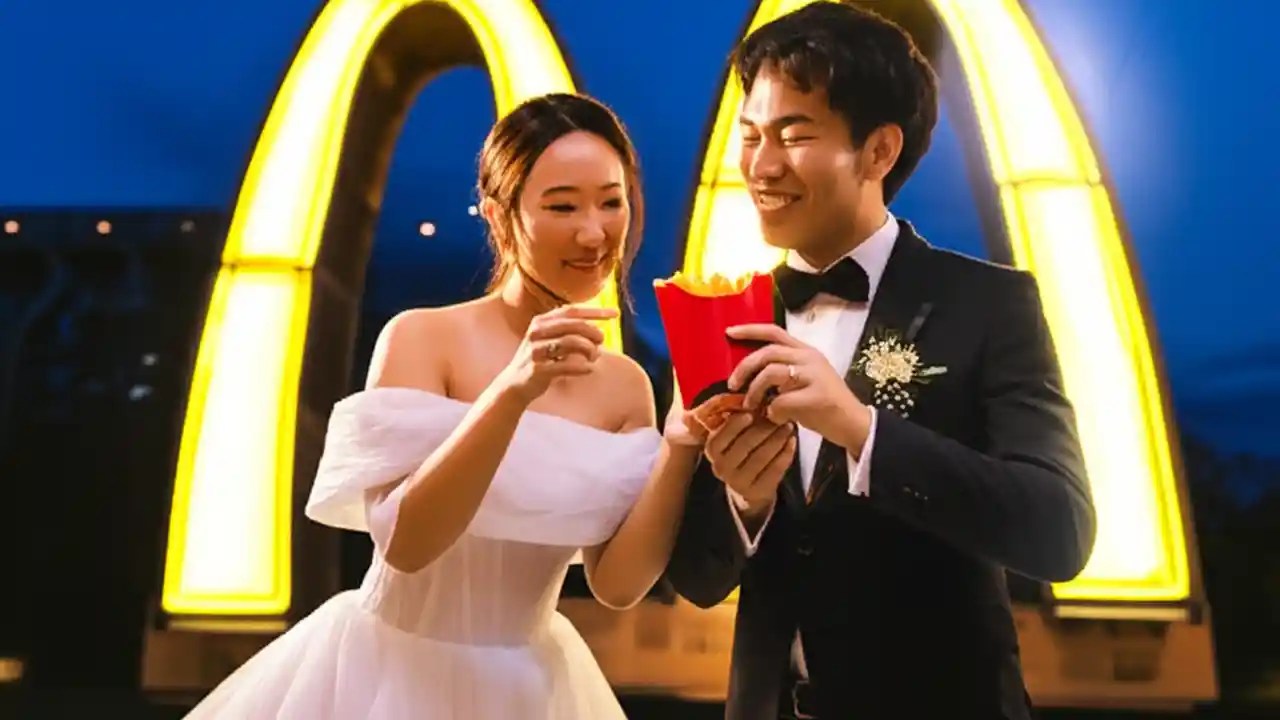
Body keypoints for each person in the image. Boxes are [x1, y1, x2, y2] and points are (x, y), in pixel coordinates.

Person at [183, 92, 710, 719]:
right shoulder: (421, 339)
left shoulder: (624, 384)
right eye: (562, 205)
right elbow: (406, 544)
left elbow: (618, 586)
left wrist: (681, 443)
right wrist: (512, 392)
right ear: (498, 214)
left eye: (611, 201)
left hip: (531, 688)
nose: (594, 231)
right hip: (385, 673)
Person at [664, 3, 1097, 719]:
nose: (761, 166)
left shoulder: (987, 304)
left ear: (879, 151)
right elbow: (695, 578)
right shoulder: (726, 316)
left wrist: (863, 431)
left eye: (793, 135)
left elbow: (1060, 531)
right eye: (750, 137)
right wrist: (745, 504)